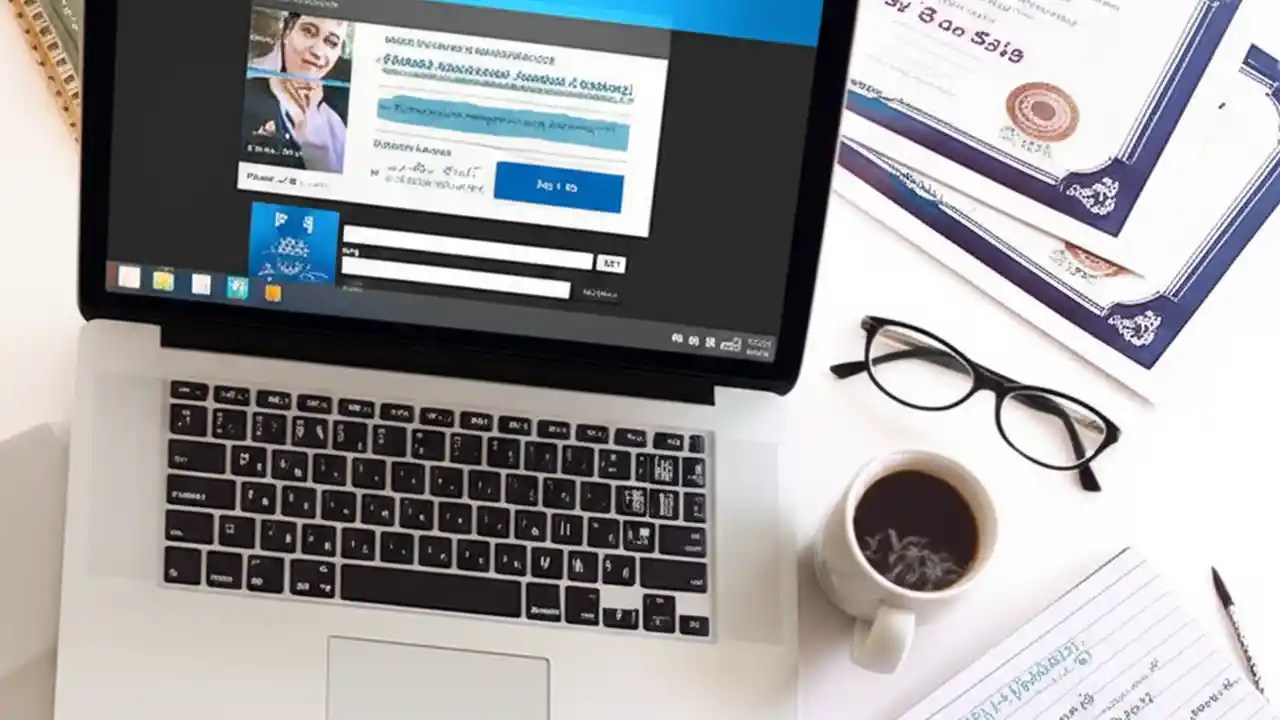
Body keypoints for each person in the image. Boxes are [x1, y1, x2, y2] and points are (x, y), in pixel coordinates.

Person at [241, 13, 351, 173]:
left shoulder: (341, 116)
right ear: (286, 32)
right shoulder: (248, 96)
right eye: (308, 32)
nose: (318, 52)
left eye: (332, 43)